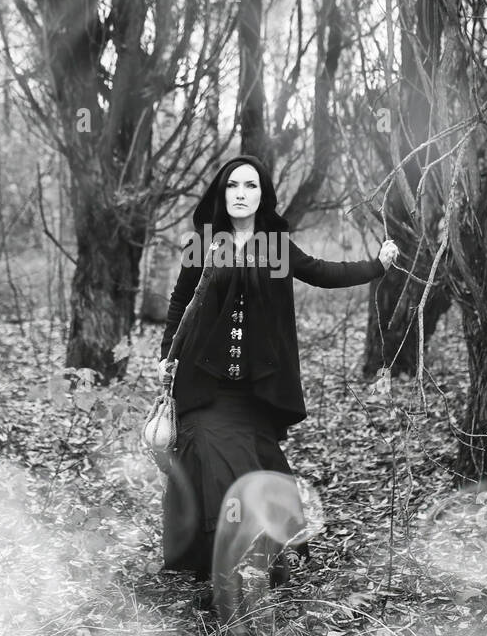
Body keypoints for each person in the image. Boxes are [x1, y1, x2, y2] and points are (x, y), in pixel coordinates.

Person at [157, 154, 398, 605]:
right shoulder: (205, 242)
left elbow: (322, 272)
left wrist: (376, 266)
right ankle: (220, 573)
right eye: (233, 186)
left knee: (254, 470)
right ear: (222, 193)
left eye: (250, 186)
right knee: (212, 462)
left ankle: (257, 558)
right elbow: (180, 300)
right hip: (203, 385)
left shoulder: (276, 245)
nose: (241, 194)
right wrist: (166, 355)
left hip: (254, 393)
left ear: (262, 194)